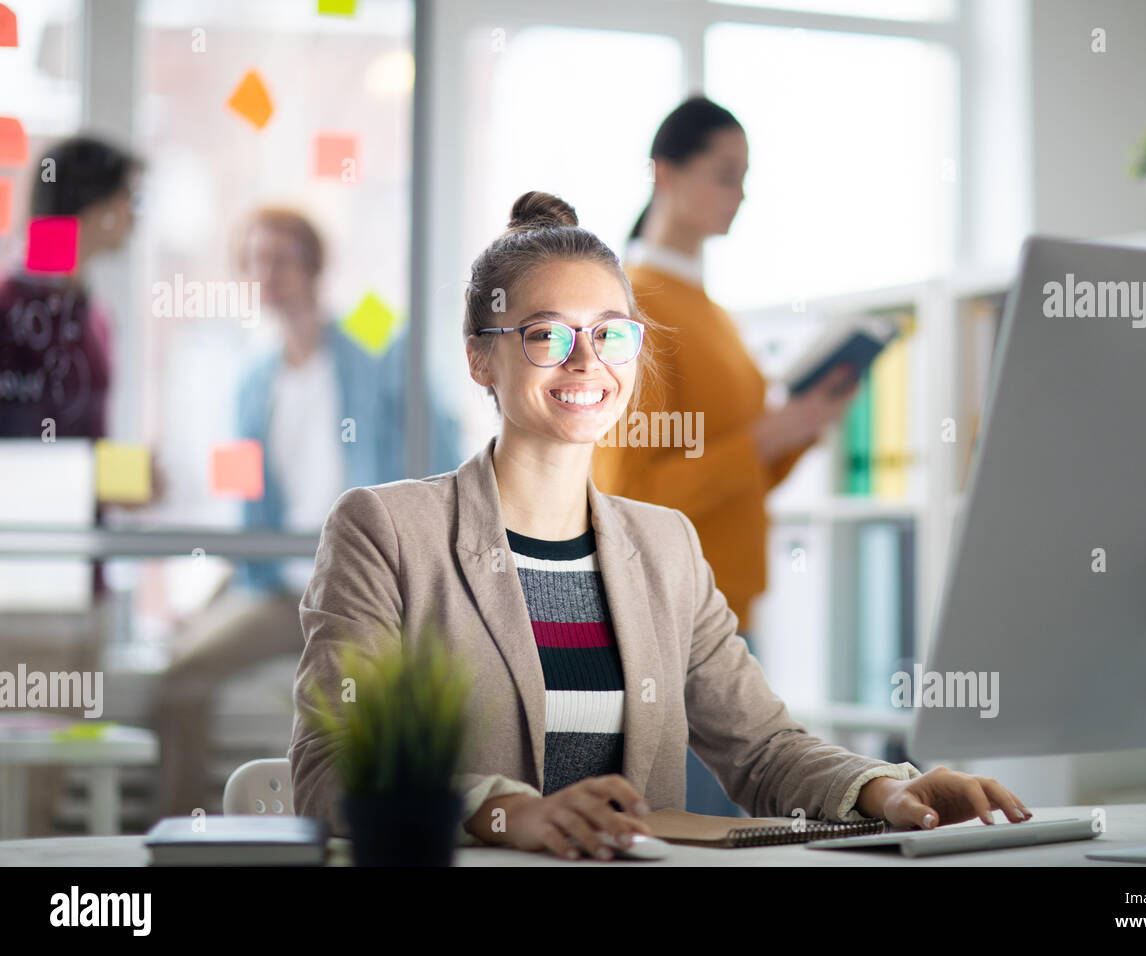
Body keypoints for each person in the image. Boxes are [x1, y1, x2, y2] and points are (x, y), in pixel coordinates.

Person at [289, 190, 1033, 860]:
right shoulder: (386, 531)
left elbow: (765, 751)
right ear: (481, 359)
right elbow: (329, 770)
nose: (587, 363)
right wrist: (515, 813)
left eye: (612, 335)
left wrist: (886, 791)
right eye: (547, 335)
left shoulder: (664, 544)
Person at [591, 95, 860, 816]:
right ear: (663, 174)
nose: (738, 195)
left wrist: (801, 428)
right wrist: (768, 437)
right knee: (706, 833)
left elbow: (744, 479)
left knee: (733, 826)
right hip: (667, 615)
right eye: (724, 173)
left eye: (744, 177)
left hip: (728, 605)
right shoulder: (635, 306)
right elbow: (628, 494)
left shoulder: (709, 309)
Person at [149, 206, 461, 818]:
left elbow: (442, 443)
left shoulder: (371, 342)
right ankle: (177, 837)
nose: (269, 273)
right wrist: (213, 598)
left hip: (360, 586)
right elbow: (251, 506)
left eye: (283, 258)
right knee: (179, 678)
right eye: (256, 260)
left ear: (313, 266)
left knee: (364, 710)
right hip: (278, 587)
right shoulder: (253, 379)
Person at [0, 135, 153, 835]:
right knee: (23, 782)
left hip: (79, 572)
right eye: (129, 200)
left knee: (52, 774)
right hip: (29, 580)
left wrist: (129, 477)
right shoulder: (14, 310)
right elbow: (28, 450)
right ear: (90, 206)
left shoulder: (87, 307)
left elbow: (73, 438)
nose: (135, 217)